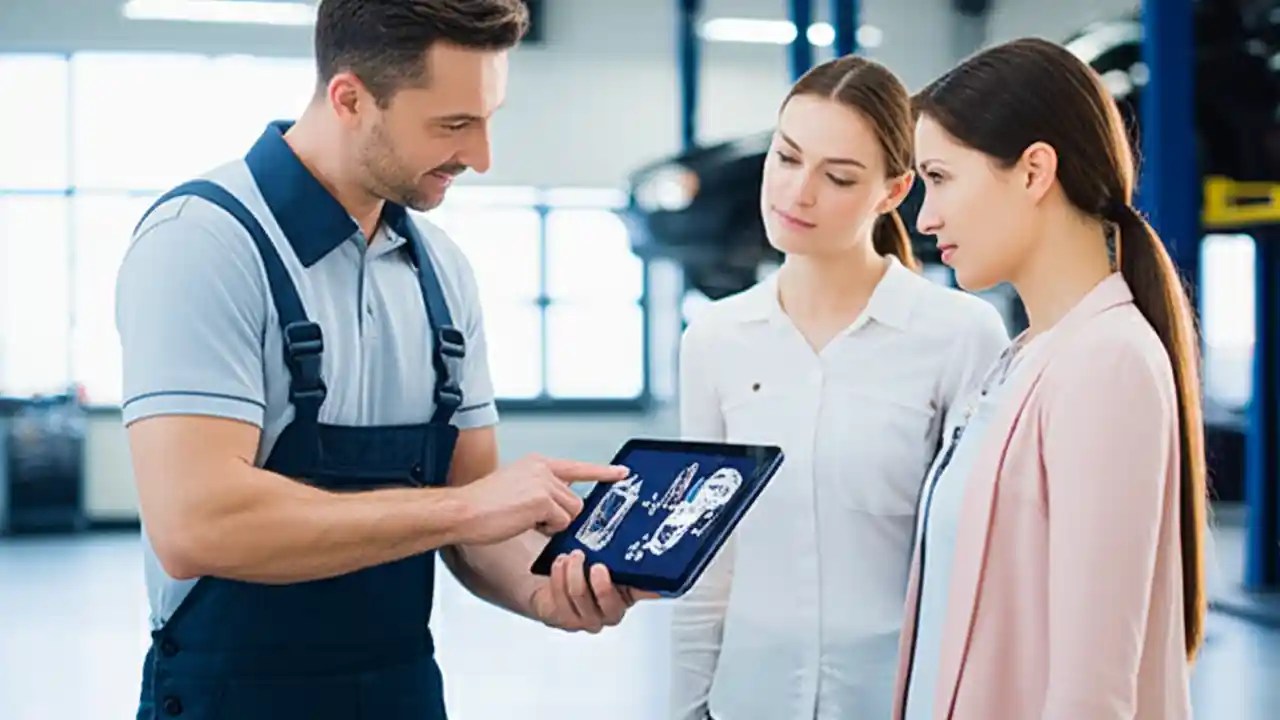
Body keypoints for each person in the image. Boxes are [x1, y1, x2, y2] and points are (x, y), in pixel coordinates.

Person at [116, 2, 652, 719]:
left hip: (403, 694)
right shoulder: (204, 244)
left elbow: (473, 525)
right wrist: (465, 507)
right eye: (452, 125)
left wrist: (547, 588)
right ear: (350, 99)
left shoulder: (444, 274)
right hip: (236, 698)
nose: (482, 156)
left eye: (488, 118)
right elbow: (197, 524)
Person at [669, 55, 1010, 720]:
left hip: (899, 699)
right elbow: (707, 558)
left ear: (892, 192)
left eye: (839, 177)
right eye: (786, 158)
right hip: (748, 699)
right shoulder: (714, 339)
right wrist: (686, 706)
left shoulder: (960, 335)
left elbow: (982, 558)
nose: (798, 193)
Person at [892, 37, 1208, 720]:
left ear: (1034, 170)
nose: (925, 218)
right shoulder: (1028, 356)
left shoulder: (1106, 363)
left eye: (940, 178)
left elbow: (1091, 692)